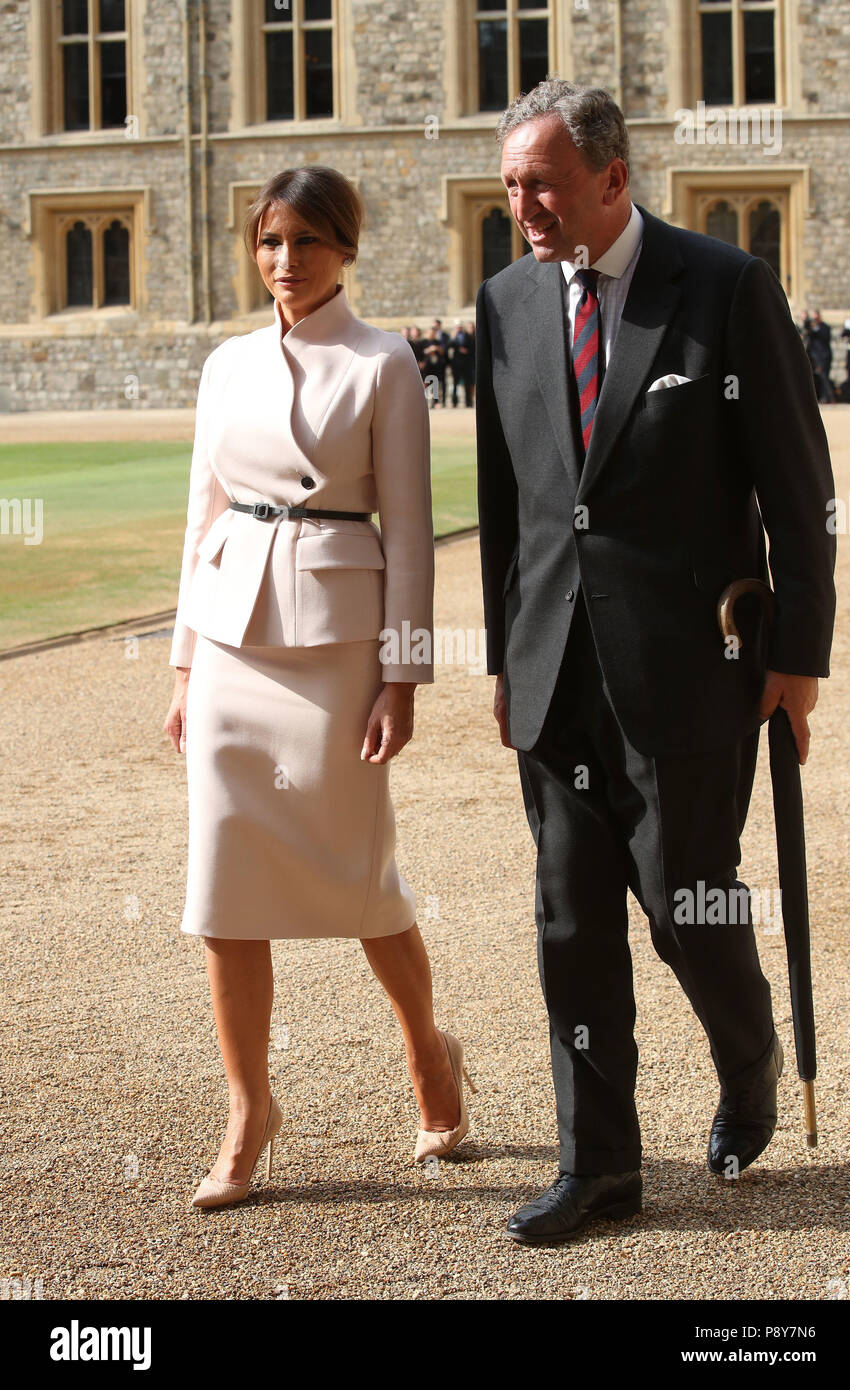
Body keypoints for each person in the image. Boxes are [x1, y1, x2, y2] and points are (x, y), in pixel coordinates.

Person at [475, 81, 835, 1246]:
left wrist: (797, 657)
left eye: (540, 185)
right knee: (568, 920)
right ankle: (599, 1167)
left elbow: (796, 490)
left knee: (687, 906)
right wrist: (503, 658)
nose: (521, 206)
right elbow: (506, 504)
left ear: (611, 179)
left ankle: (748, 1053)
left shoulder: (722, 288)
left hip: (687, 666)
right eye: (509, 185)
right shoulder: (505, 302)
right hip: (552, 670)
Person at [163, 166, 475, 1210]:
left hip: (337, 644)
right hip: (229, 642)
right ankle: (249, 1108)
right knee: (222, 884)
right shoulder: (225, 364)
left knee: (361, 877)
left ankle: (427, 1050)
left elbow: (411, 533)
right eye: (268, 241)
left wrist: (402, 676)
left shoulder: (385, 362)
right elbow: (203, 512)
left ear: (344, 247)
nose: (284, 260)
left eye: (304, 240)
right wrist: (183, 663)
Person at [449, 321, 475, 407]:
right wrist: (453, 337)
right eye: (457, 327)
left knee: (468, 383)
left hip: (466, 363)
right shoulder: (453, 337)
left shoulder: (467, 336)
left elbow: (472, 348)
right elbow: (448, 346)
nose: (459, 329)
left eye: (460, 327)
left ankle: (468, 402)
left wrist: (467, 351)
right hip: (456, 364)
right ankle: (454, 402)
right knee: (455, 383)